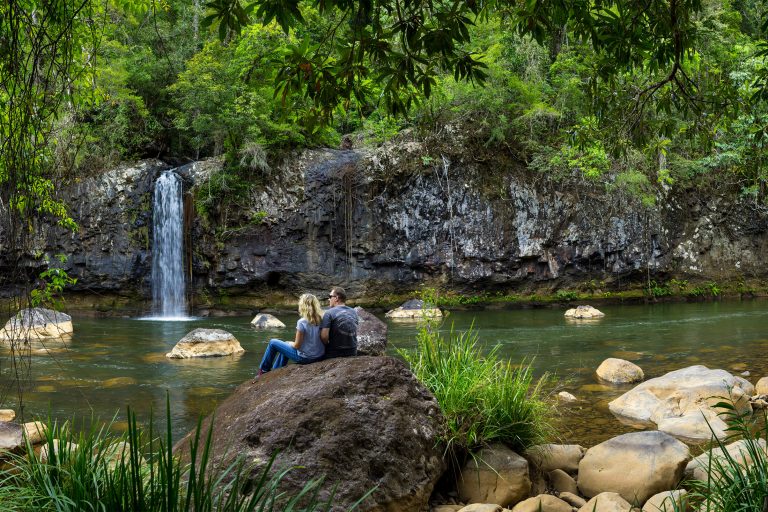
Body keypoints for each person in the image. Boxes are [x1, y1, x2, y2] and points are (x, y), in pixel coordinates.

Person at [256, 293, 325, 377]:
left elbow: (297, 345)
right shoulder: (322, 319)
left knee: (273, 342)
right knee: (284, 346)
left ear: (302, 306)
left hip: (306, 358)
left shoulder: (302, 322)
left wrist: (290, 343)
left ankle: (263, 370)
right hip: (319, 355)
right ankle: (276, 370)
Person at [320, 286, 358, 358]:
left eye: (330, 296)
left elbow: (324, 337)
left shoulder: (329, 313)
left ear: (336, 298)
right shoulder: (354, 312)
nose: (329, 299)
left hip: (335, 353)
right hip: (353, 351)